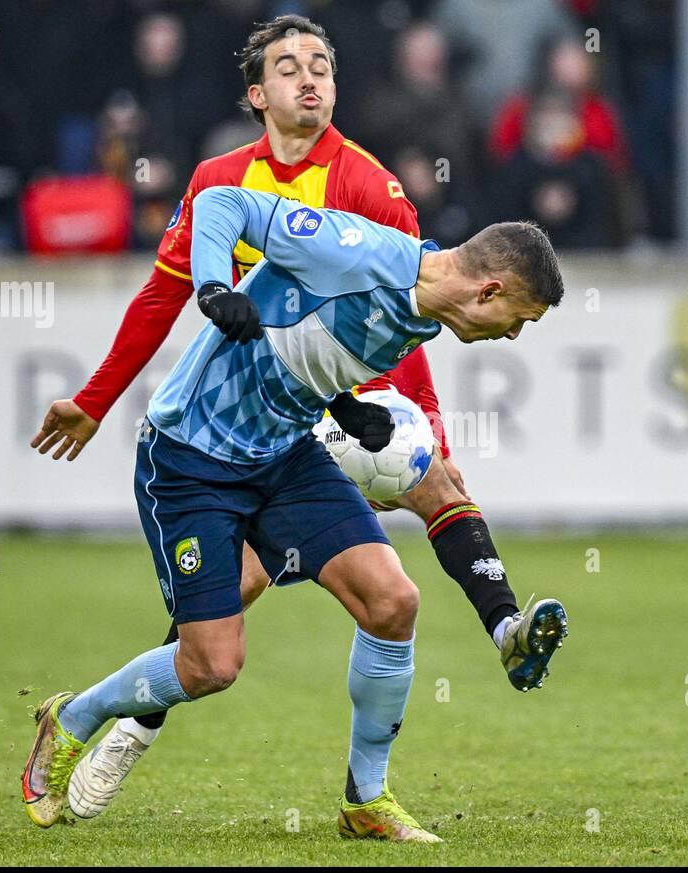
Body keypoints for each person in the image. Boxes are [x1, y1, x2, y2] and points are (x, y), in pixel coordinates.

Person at [30, 15, 569, 822]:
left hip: (285, 446)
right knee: (213, 660)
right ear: (257, 94)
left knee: (394, 601)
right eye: (518, 321)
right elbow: (218, 213)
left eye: (322, 65)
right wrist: (215, 290)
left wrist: (361, 408)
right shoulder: (354, 238)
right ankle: (80, 719)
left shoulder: (404, 250)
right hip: (193, 451)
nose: (512, 336)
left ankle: (368, 798)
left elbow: (332, 336)